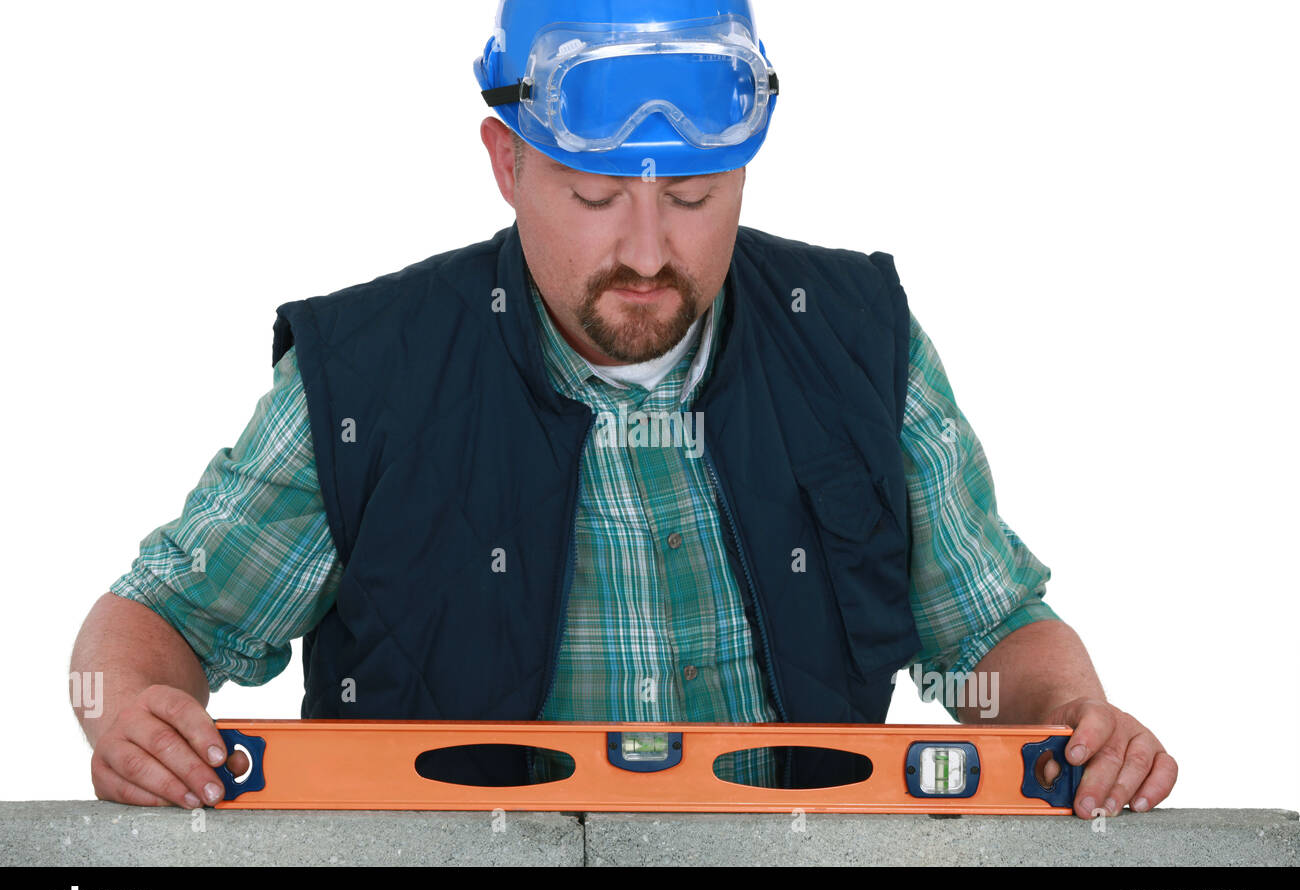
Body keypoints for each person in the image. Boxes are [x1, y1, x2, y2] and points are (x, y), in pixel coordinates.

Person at [70, 0, 1175, 816]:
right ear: (506, 162)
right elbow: (155, 619)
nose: (648, 251)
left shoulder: (859, 343)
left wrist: (1076, 716)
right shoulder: (367, 378)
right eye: (595, 198)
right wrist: (129, 714)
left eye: (693, 198)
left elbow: (990, 638)